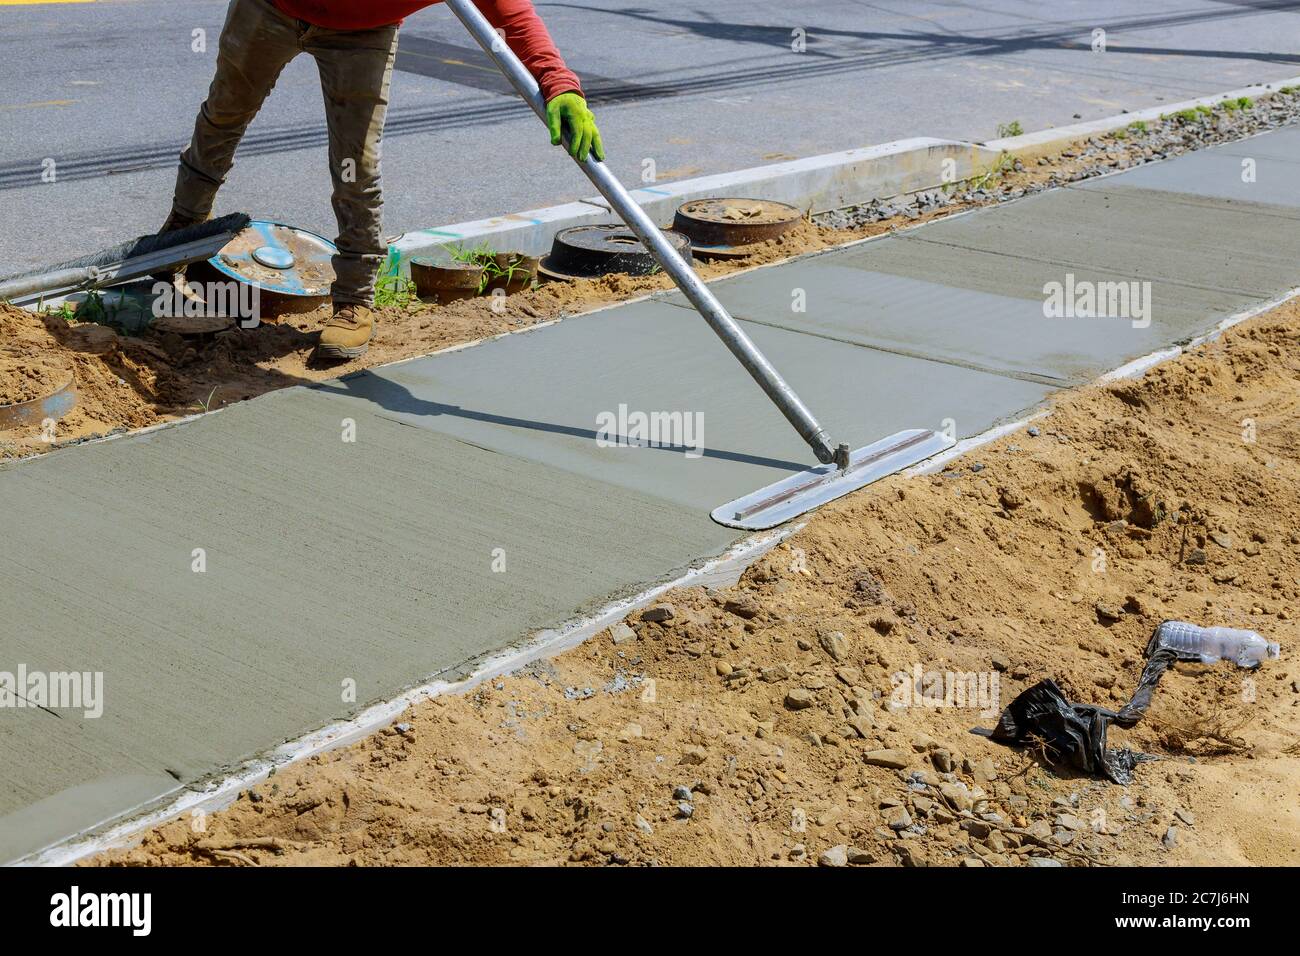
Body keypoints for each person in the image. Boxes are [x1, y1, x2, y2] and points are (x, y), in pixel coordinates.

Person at [161, 0, 602, 359]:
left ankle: (355, 300)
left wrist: (559, 84)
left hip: (363, 31)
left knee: (357, 163)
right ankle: (182, 232)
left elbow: (512, 14)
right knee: (222, 118)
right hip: (270, 8)